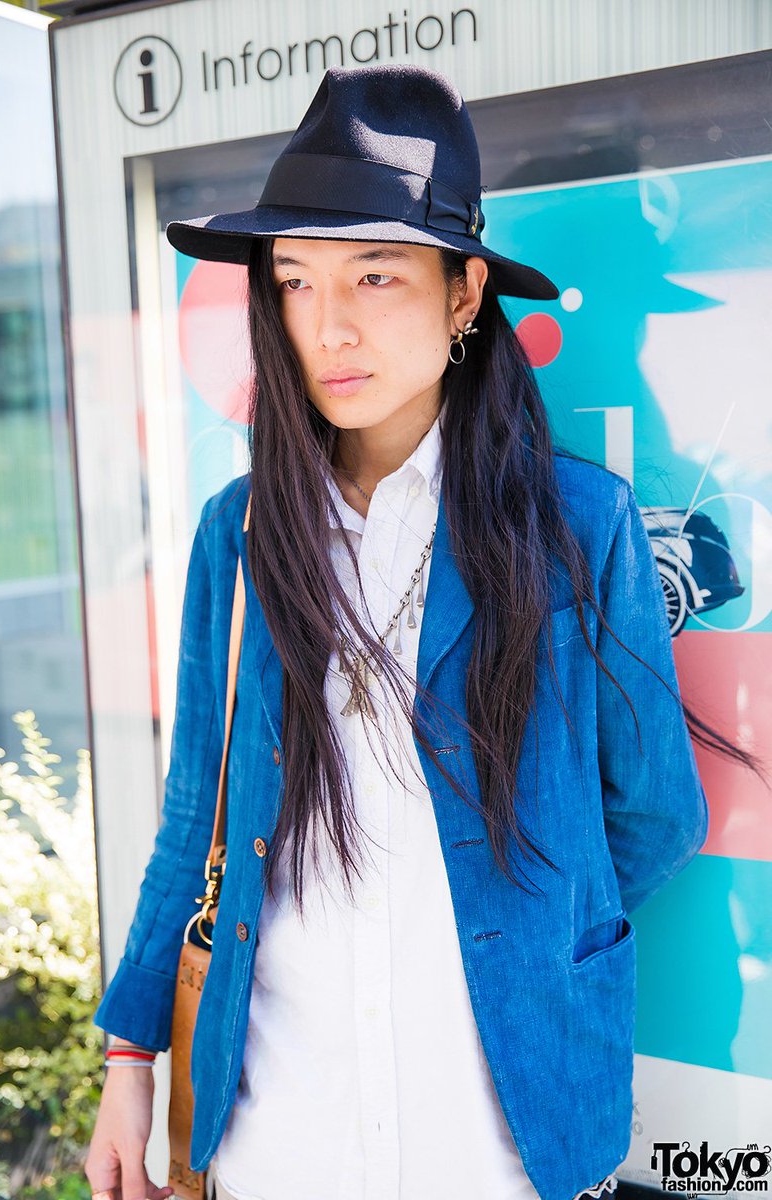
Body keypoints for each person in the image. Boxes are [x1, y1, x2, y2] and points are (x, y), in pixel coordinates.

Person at [83, 64, 756, 1200]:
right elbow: (195, 815)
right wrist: (128, 1061)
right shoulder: (238, 534)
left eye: (375, 274)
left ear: (462, 295)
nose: (326, 325)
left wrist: (523, 928)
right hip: (275, 1141)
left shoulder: (574, 527)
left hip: (501, 1146)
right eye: (292, 281)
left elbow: (654, 812)